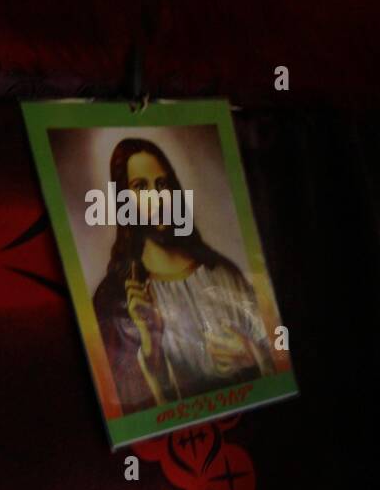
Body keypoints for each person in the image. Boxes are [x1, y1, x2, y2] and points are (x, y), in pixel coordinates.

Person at [92, 138, 274, 412]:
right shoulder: (115, 297)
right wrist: (150, 348)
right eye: (140, 187)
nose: (158, 198)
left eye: (162, 185)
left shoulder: (221, 272)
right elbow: (126, 404)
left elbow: (274, 365)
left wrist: (252, 357)